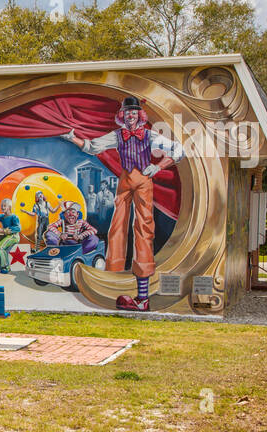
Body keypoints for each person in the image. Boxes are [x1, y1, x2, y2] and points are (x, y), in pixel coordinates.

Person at [67, 96, 183, 310]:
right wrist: (73, 138)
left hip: (143, 181)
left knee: (143, 228)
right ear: (122, 115)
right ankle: (114, 281)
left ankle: (142, 295)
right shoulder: (117, 135)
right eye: (127, 112)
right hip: (125, 180)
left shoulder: (149, 135)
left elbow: (178, 150)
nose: (130, 115)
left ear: (139, 115)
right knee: (116, 228)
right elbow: (93, 146)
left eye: (134, 112)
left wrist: (158, 167)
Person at [0, 198, 22, 274]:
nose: (2, 208)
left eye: (4, 206)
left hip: (14, 236)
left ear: (9, 207)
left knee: (1, 247)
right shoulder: (3, 217)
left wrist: (4, 230)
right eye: (2, 206)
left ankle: (6, 267)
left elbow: (18, 228)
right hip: (8, 236)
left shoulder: (14, 217)